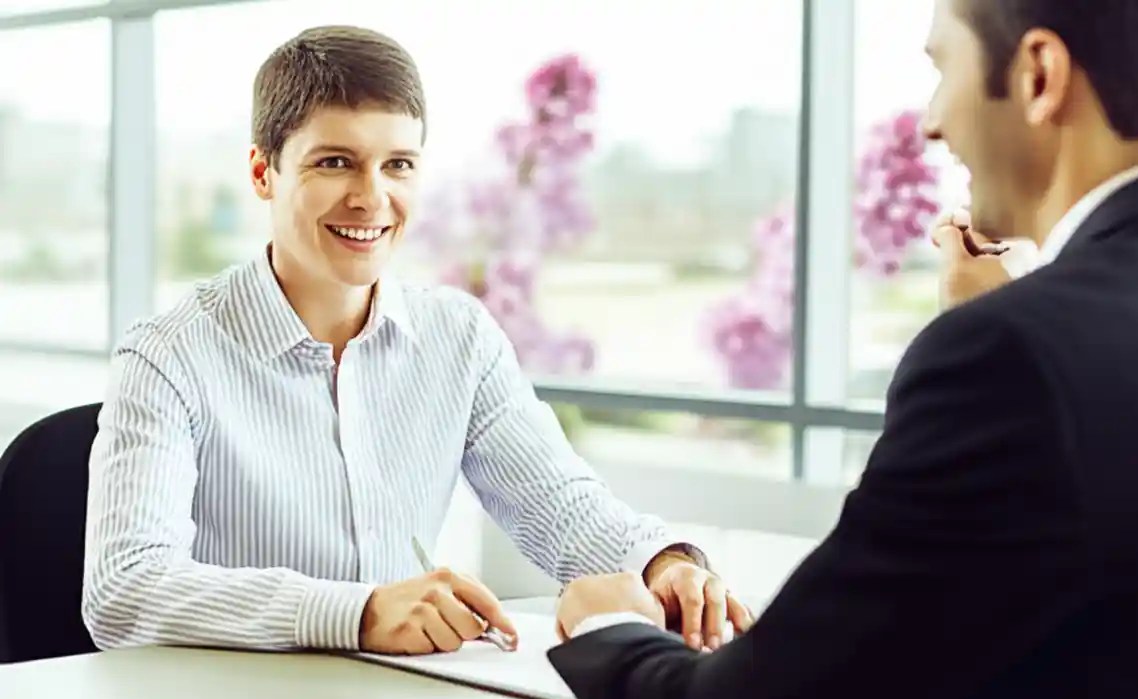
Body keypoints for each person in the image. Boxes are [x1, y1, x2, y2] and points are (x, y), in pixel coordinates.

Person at [548, 1, 1138, 699]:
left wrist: (610, 630)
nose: (933, 121)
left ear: (1038, 74)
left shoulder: (1009, 358)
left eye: (943, 66)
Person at [81, 25, 753, 658]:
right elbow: (123, 589)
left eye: (398, 164)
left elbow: (562, 506)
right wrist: (360, 614)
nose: (372, 199)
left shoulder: (458, 338)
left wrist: (665, 562)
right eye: (336, 162)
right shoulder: (167, 356)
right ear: (264, 173)